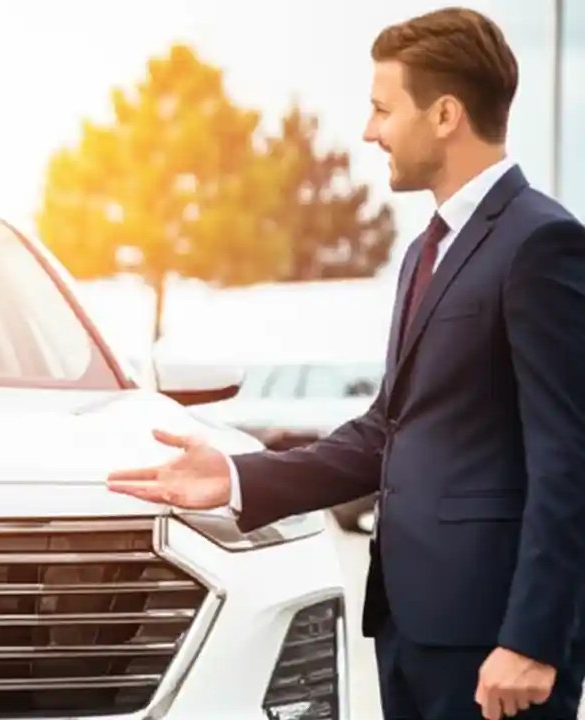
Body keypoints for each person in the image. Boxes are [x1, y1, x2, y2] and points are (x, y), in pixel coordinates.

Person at [106, 8, 585, 720]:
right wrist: (238, 476)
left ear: (446, 114)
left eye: (382, 109)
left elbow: (569, 458)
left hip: (495, 648)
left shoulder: (541, 245)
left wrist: (534, 640)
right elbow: (386, 432)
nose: (370, 132)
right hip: (409, 630)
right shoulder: (426, 251)